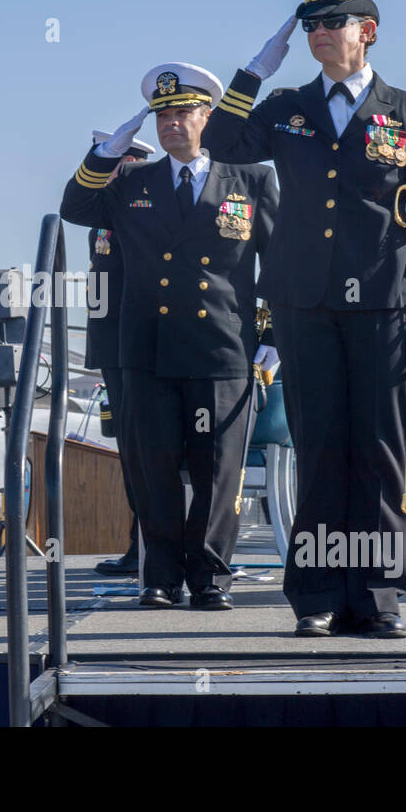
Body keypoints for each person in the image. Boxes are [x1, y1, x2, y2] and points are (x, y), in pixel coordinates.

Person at [202, 0, 406, 638]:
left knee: (378, 450)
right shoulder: (284, 109)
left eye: (331, 21)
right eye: (310, 22)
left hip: (382, 300)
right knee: (316, 449)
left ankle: (376, 596)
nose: (318, 32)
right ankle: (315, 596)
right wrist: (254, 72)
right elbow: (221, 145)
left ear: (366, 31)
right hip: (302, 303)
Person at [61, 62, 278, 609]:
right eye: (162, 115)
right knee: (152, 466)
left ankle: (209, 577)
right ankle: (158, 576)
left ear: (208, 116)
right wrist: (106, 153)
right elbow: (75, 207)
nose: (171, 124)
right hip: (147, 349)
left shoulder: (250, 179)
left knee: (217, 471)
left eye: (182, 112)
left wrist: (273, 334)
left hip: (223, 348)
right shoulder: (133, 181)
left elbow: (280, 261)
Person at [85, 130, 156, 578]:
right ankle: (140, 547)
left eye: (113, 162)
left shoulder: (144, 214)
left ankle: (154, 547)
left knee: (150, 451)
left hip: (145, 348)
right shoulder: (102, 215)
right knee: (131, 452)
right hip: (114, 349)